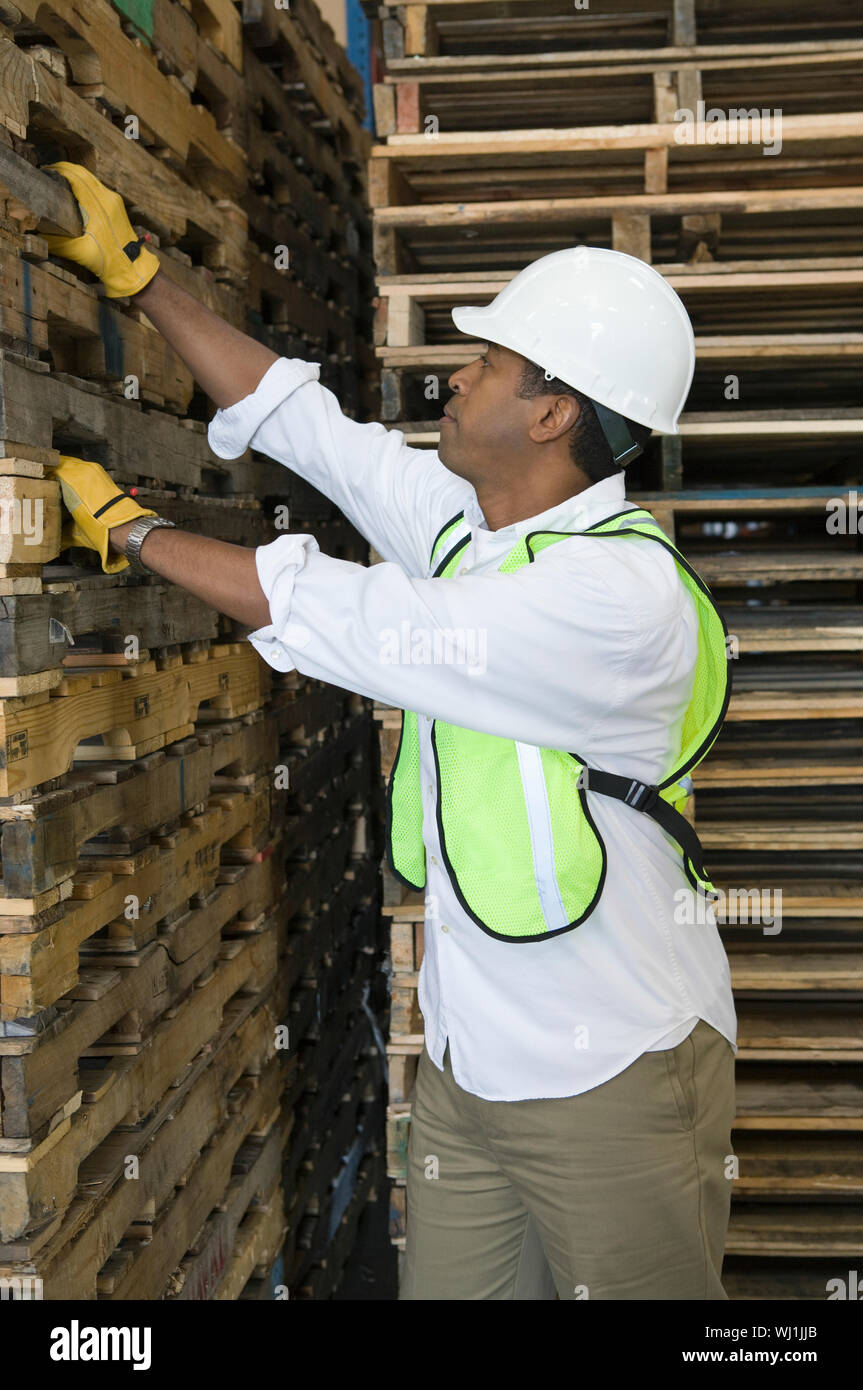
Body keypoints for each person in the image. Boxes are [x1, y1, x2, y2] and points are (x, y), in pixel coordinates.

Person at [45, 163, 737, 1301]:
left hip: (614, 1066)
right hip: (471, 1068)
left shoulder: (615, 600)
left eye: (487, 365)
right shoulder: (486, 528)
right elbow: (320, 436)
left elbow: (365, 621)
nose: (457, 380)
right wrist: (141, 277)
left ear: (552, 412)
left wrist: (134, 531)